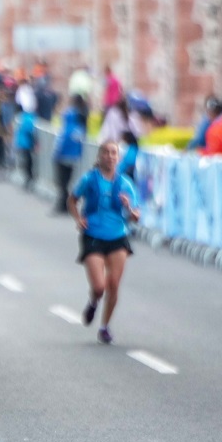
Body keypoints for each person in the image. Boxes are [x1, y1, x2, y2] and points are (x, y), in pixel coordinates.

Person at [68, 140, 140, 344]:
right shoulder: (89, 179)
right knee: (100, 286)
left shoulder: (125, 184)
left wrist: (129, 207)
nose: (110, 156)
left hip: (118, 236)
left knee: (114, 285)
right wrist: (78, 218)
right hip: (93, 236)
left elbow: (136, 216)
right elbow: (72, 199)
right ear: (99, 156)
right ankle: (93, 301)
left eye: (113, 153)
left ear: (118, 158)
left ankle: (104, 326)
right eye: (106, 152)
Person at [52, 95, 87, 214]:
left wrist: (56, 154)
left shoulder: (66, 128)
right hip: (73, 158)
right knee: (67, 182)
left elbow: (60, 143)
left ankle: (63, 204)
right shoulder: (80, 128)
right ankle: (66, 204)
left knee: (62, 182)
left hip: (62, 157)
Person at [14, 106, 38, 191]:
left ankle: (28, 178)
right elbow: (31, 132)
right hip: (27, 144)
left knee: (25, 161)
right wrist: (35, 142)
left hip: (21, 143)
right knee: (29, 162)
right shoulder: (31, 119)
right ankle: (30, 178)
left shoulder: (22, 117)